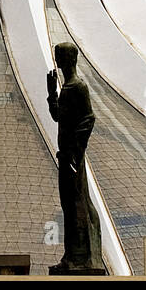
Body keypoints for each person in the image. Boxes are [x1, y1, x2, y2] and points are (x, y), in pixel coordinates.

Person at [47, 41, 105, 274]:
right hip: (66, 156)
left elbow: (88, 119)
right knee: (68, 206)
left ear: (69, 60)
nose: (57, 61)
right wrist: (52, 93)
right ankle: (72, 255)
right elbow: (57, 116)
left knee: (78, 204)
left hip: (73, 157)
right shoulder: (66, 88)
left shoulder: (79, 87)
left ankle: (85, 257)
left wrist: (75, 151)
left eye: (59, 57)